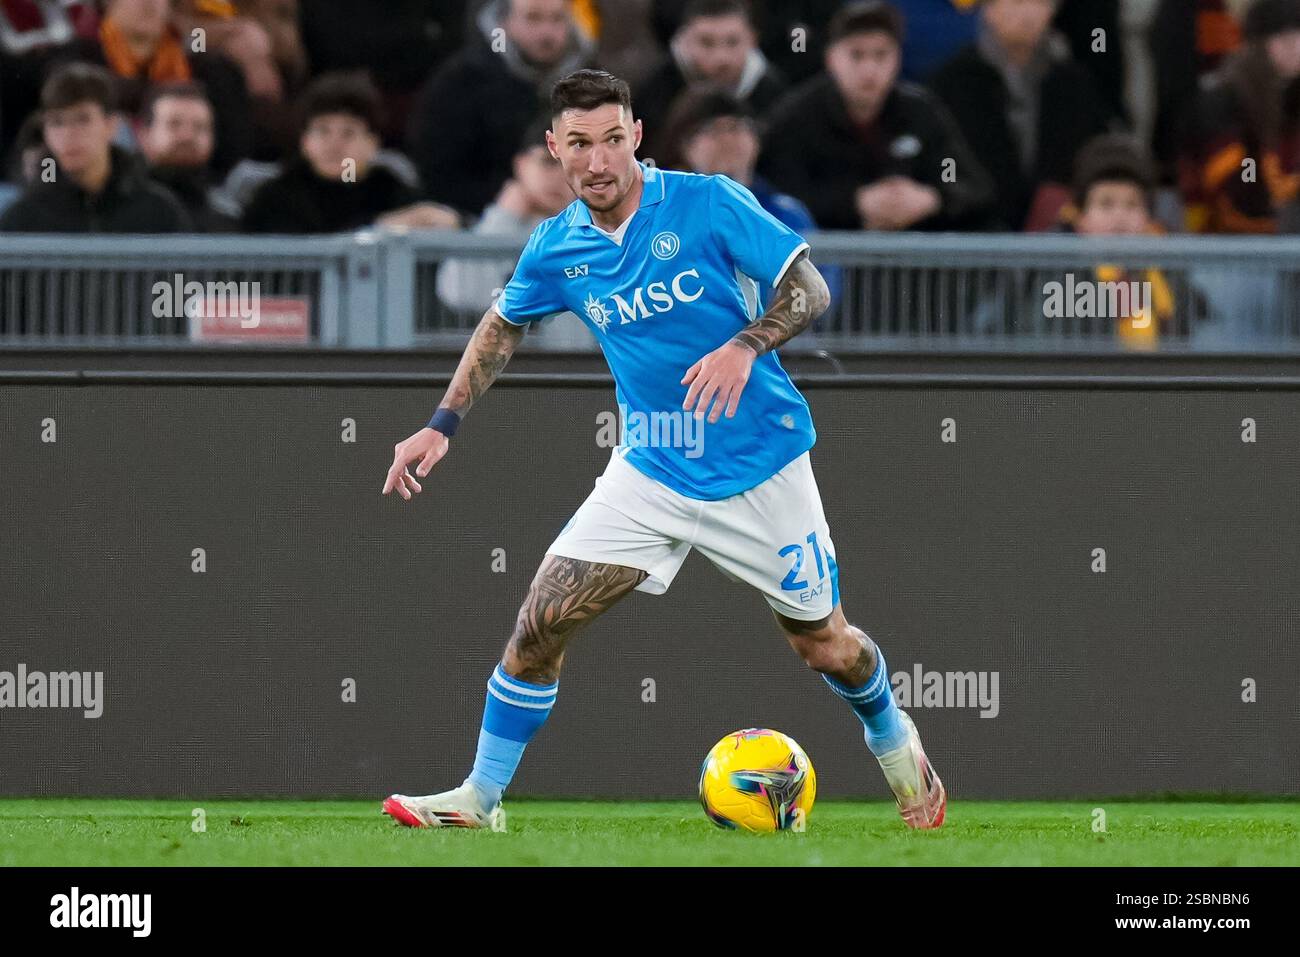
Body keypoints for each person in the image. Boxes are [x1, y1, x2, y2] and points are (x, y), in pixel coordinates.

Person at [379, 68, 946, 831]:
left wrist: (744, 346)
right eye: (579, 144)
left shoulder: (708, 202)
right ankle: (479, 798)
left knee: (826, 645)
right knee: (540, 623)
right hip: (650, 466)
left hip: (761, 465)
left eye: (613, 139)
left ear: (636, 136)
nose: (599, 160)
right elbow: (502, 324)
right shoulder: (557, 247)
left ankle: (891, 734)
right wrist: (440, 423)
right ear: (555, 149)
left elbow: (810, 289)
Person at [758, 1, 994, 231]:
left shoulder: (921, 112)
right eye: (857, 55)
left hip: (908, 258)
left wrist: (934, 198)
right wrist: (854, 203)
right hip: (817, 262)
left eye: (881, 55)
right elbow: (780, 195)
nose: (869, 70)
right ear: (831, 59)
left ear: (898, 58)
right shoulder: (796, 118)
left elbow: (962, 179)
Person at [242, 72, 459, 233]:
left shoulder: (392, 192)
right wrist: (377, 228)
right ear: (305, 140)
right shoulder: (276, 199)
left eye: (348, 133)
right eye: (322, 131)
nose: (334, 145)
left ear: (372, 143)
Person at [0, 62, 190, 233]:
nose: (69, 134)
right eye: (57, 122)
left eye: (83, 119)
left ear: (111, 125)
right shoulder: (23, 219)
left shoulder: (159, 211)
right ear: (46, 132)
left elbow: (182, 273)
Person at [633, 0, 787, 162]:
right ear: (684, 41)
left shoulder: (775, 94)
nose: (722, 57)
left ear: (752, 40)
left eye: (733, 42)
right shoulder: (653, 95)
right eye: (706, 43)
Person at [137, 82, 236, 232]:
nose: (187, 136)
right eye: (174, 124)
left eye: (199, 127)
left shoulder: (226, 214)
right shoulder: (121, 205)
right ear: (144, 135)